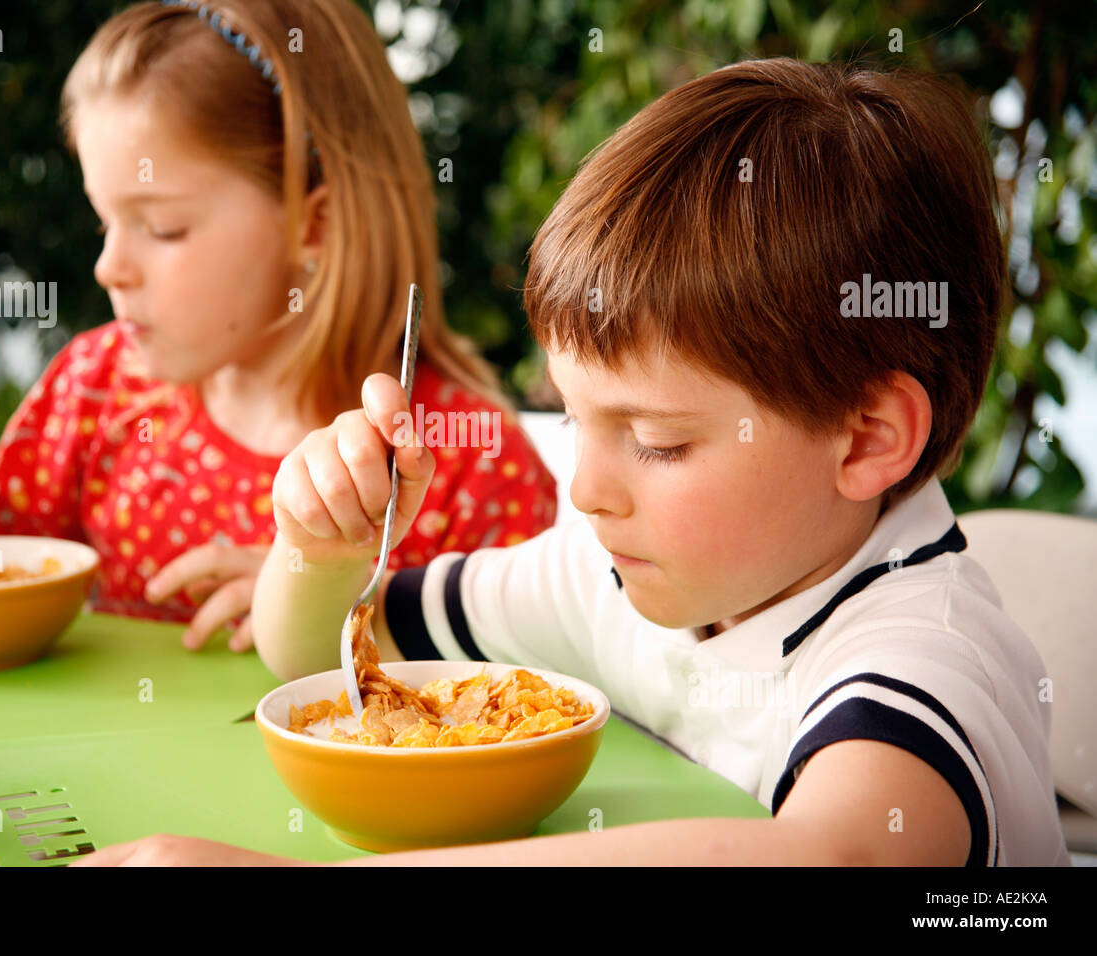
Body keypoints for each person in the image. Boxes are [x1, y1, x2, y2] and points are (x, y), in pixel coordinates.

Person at [76, 58, 1068, 865]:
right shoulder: (611, 575)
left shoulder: (922, 650)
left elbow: (832, 854)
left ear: (865, 436)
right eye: (574, 419)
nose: (584, 488)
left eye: (655, 441)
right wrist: (323, 547)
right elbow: (321, 658)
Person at [0, 0, 557, 651]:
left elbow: (546, 675)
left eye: (160, 227)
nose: (108, 266)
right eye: (104, 222)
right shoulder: (95, 389)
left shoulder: (461, 459)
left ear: (314, 224)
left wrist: (323, 594)